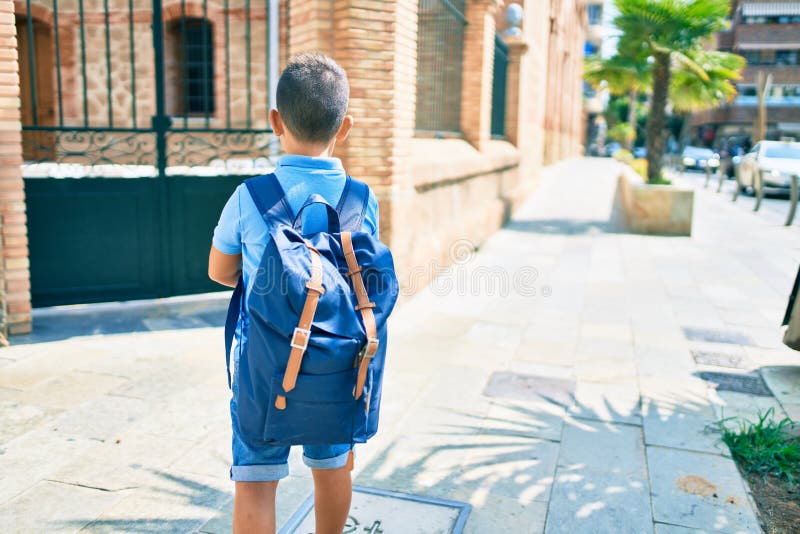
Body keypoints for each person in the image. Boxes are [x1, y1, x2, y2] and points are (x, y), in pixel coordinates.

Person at [208, 52, 379, 534]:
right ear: (344, 127)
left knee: (255, 484)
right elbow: (362, 278)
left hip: (264, 366)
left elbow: (219, 271)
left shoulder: (249, 196)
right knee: (334, 469)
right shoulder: (362, 199)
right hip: (338, 362)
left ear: (276, 121)